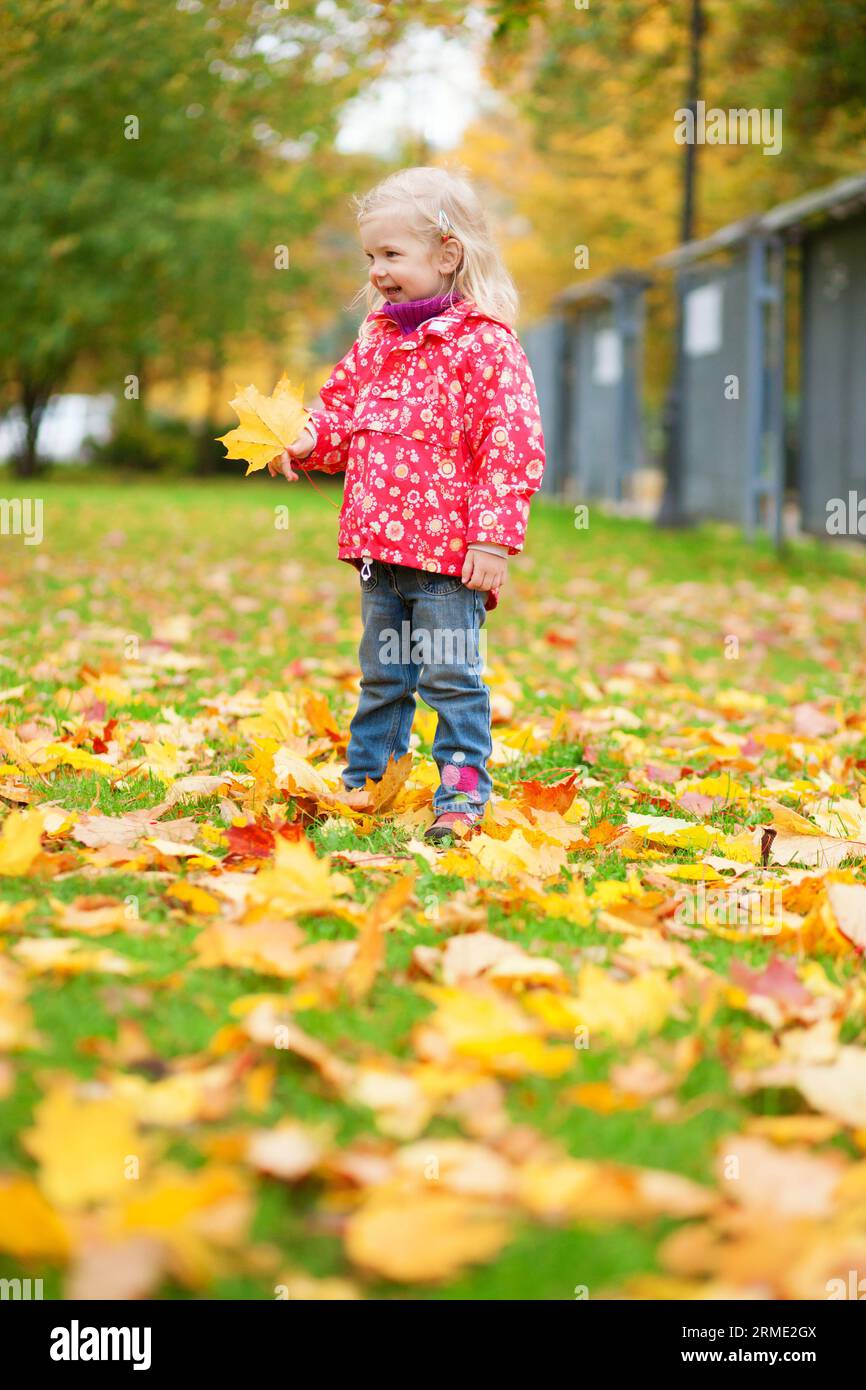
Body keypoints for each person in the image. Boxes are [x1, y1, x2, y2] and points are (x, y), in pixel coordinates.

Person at [267, 166, 545, 843]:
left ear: (448, 255)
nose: (378, 271)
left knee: (451, 677)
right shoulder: (377, 339)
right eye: (371, 256)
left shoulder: (483, 345)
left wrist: (493, 539)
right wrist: (305, 438)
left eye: (392, 255)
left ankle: (462, 792)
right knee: (382, 675)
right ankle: (370, 782)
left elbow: (512, 445)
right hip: (378, 555)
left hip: (447, 557)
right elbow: (340, 417)